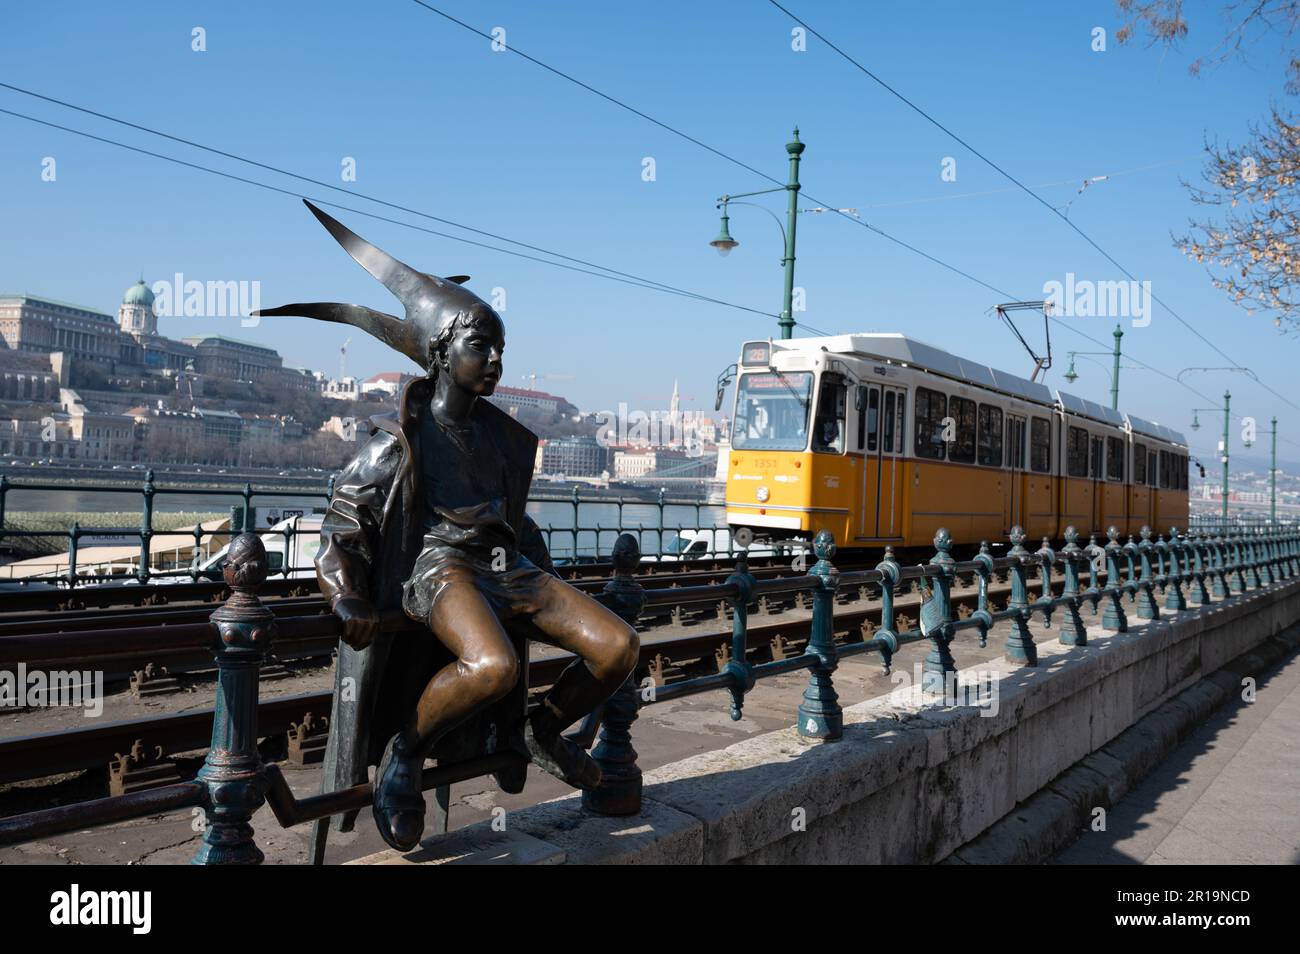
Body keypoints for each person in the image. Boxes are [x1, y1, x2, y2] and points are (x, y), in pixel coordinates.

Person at [254, 201, 639, 853]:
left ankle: (542, 731)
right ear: (441, 350)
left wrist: (549, 578)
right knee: (490, 665)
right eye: (480, 345)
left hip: (508, 570)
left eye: (500, 348)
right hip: (442, 573)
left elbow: (511, 523)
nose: (494, 360)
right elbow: (343, 524)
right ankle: (405, 754)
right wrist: (344, 594)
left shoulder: (501, 440)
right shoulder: (401, 440)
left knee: (618, 647)